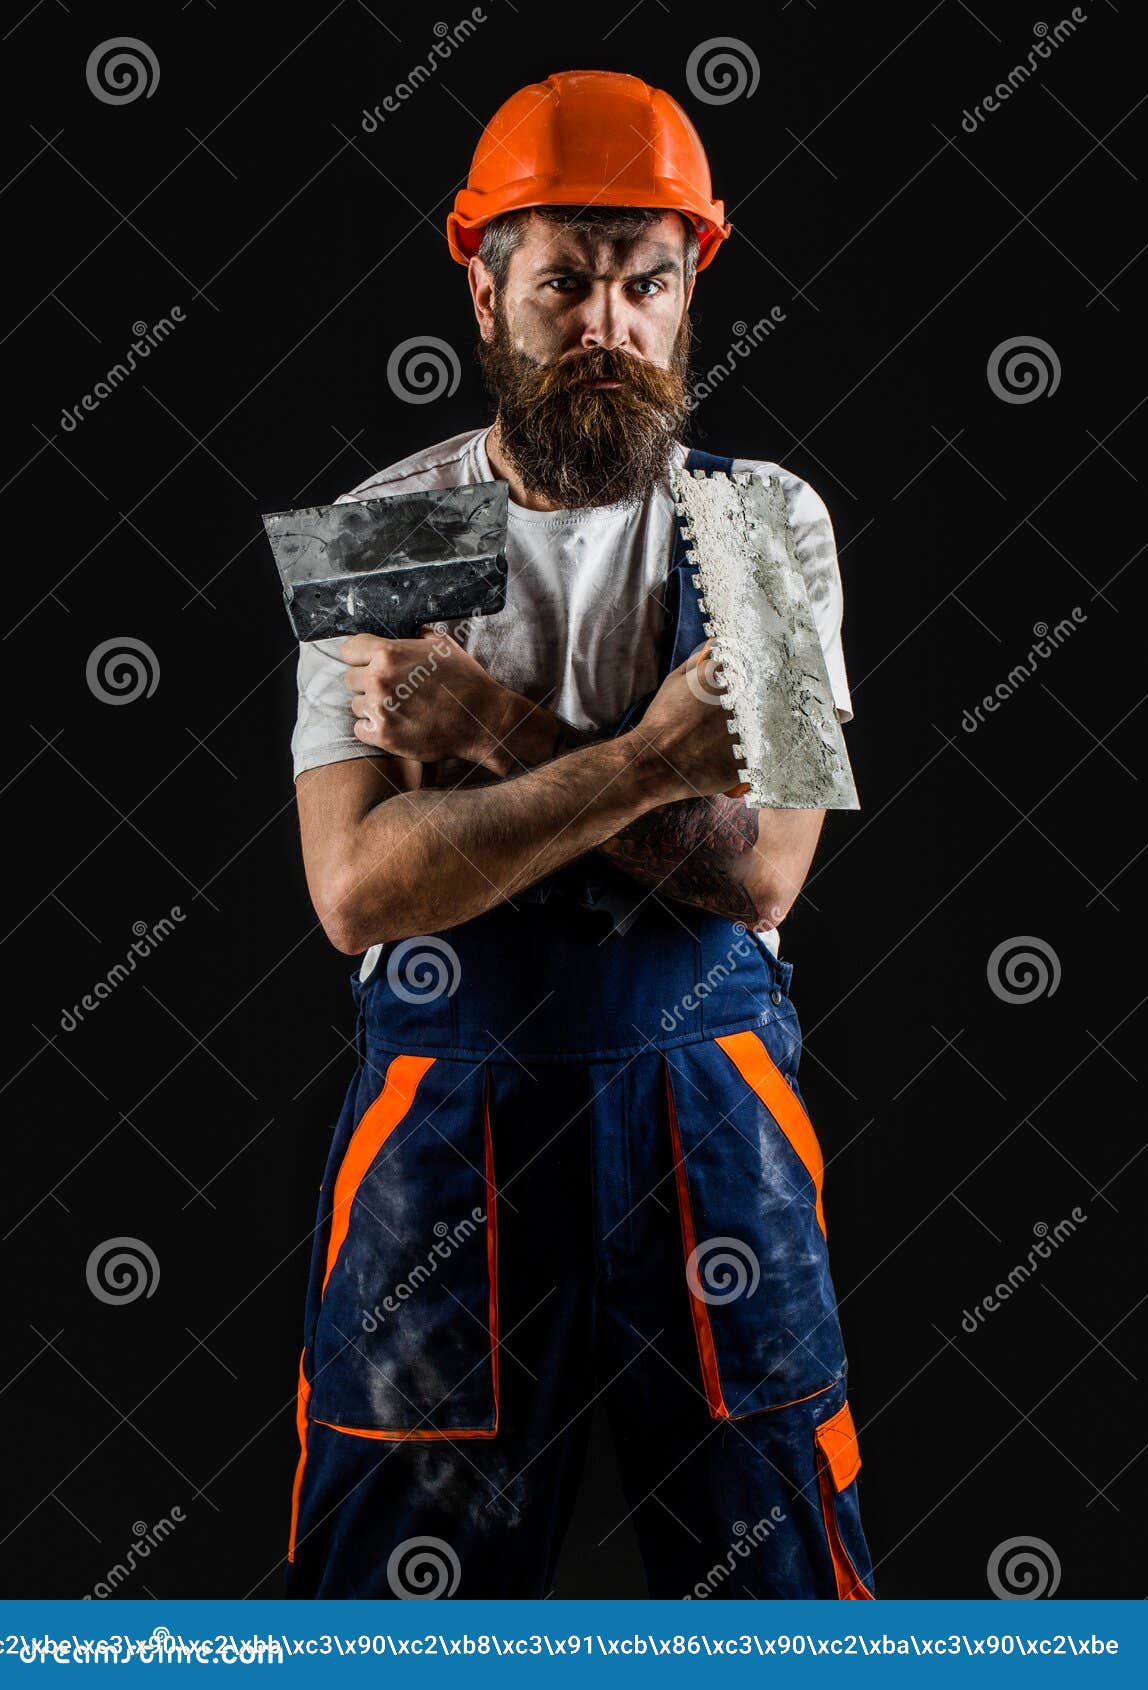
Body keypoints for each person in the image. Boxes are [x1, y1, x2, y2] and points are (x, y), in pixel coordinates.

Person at [284, 69, 873, 1602]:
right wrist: (655, 763)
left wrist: (489, 733)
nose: (607, 322)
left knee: (777, 1584)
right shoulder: (381, 528)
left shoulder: (769, 528)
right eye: (565, 281)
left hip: (714, 1112)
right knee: (389, 1610)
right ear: (483, 288)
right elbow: (356, 890)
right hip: (442, 1123)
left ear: (690, 297)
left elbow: (763, 869)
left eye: (646, 282)